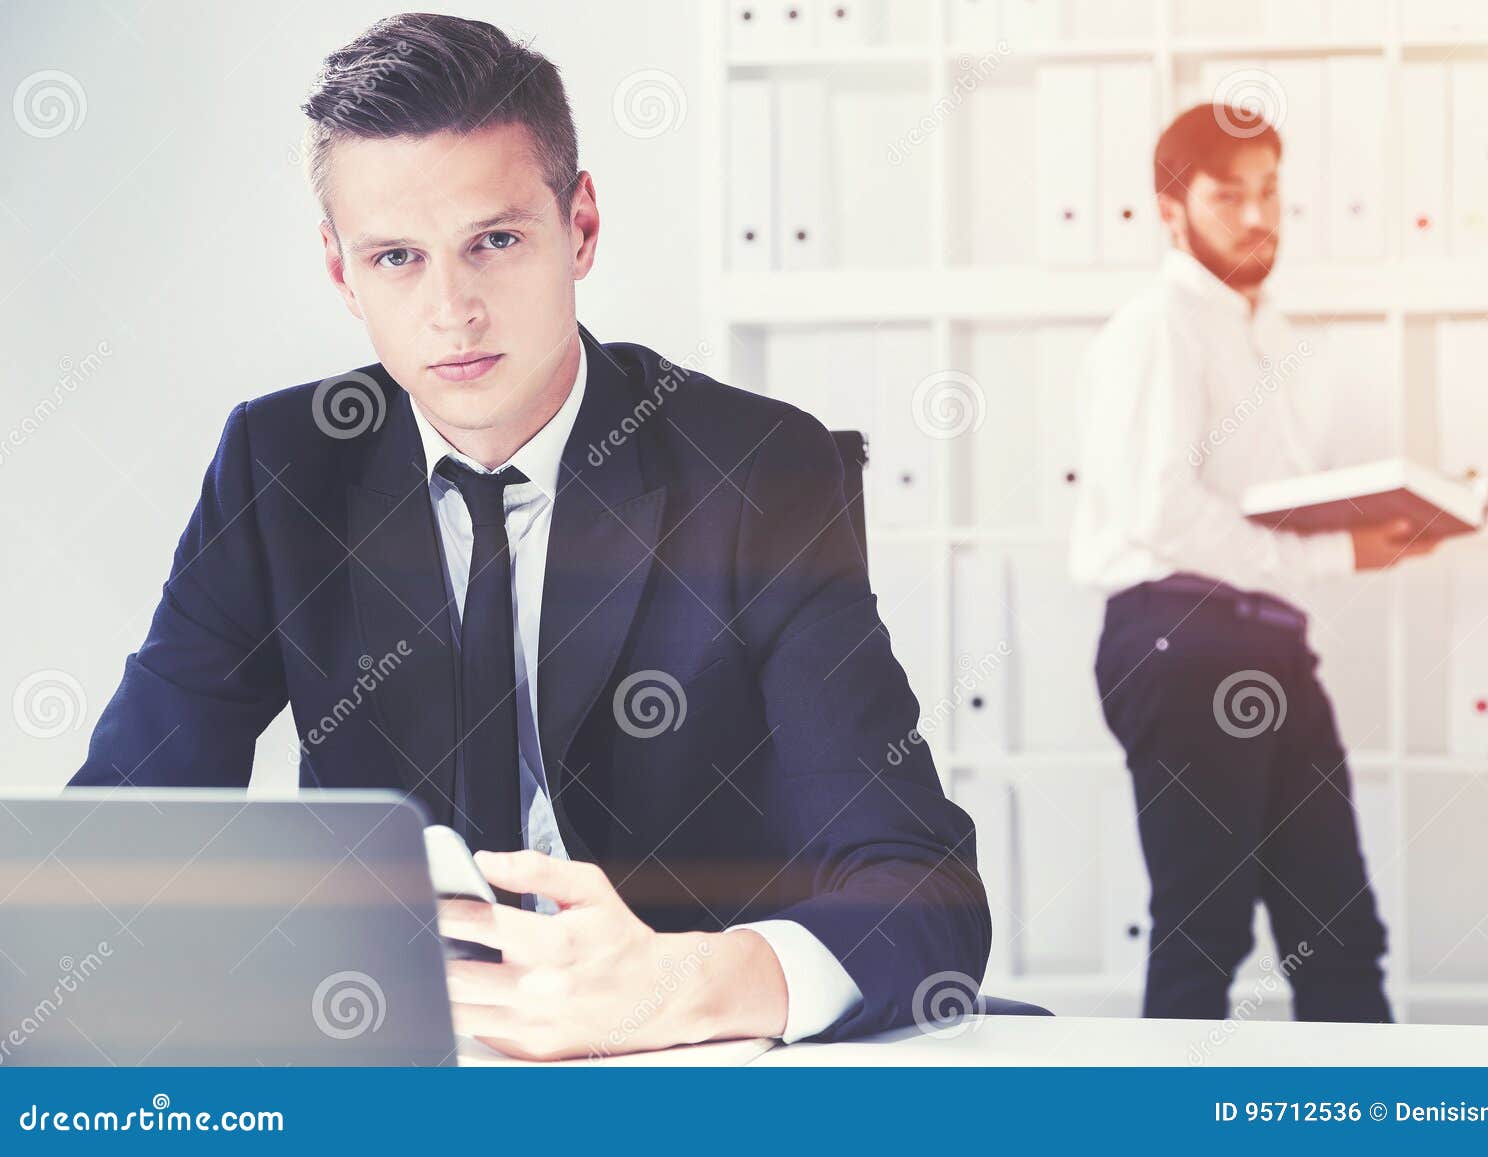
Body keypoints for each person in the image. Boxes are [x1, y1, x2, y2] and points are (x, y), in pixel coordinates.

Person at [69, 12, 989, 1060]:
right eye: (396, 257)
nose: (451, 309)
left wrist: (691, 982)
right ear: (341, 270)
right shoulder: (281, 467)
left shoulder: (756, 471)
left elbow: (921, 885)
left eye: (495, 241)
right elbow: (122, 837)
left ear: (580, 227)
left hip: (682, 1062)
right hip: (396, 1051)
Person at [1070, 102, 1433, 1023]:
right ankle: (1169, 1104)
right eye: (1228, 196)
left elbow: (1266, 501)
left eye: (1269, 192)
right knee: (1205, 929)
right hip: (1183, 638)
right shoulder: (1159, 328)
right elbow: (1160, 510)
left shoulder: (1272, 336)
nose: (1258, 216)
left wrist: (1384, 517)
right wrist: (1339, 552)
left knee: (1340, 931)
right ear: (1171, 209)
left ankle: (1367, 1104)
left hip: (1270, 639)